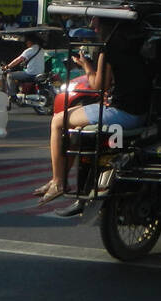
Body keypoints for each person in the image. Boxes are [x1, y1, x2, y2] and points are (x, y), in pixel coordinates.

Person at [37, 17, 151, 204]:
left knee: (57, 121)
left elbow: (98, 86)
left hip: (122, 114)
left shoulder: (109, 48)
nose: (92, 27)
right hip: (141, 113)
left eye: (96, 22)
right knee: (73, 127)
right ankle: (60, 180)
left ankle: (58, 182)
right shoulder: (141, 44)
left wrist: (86, 66)